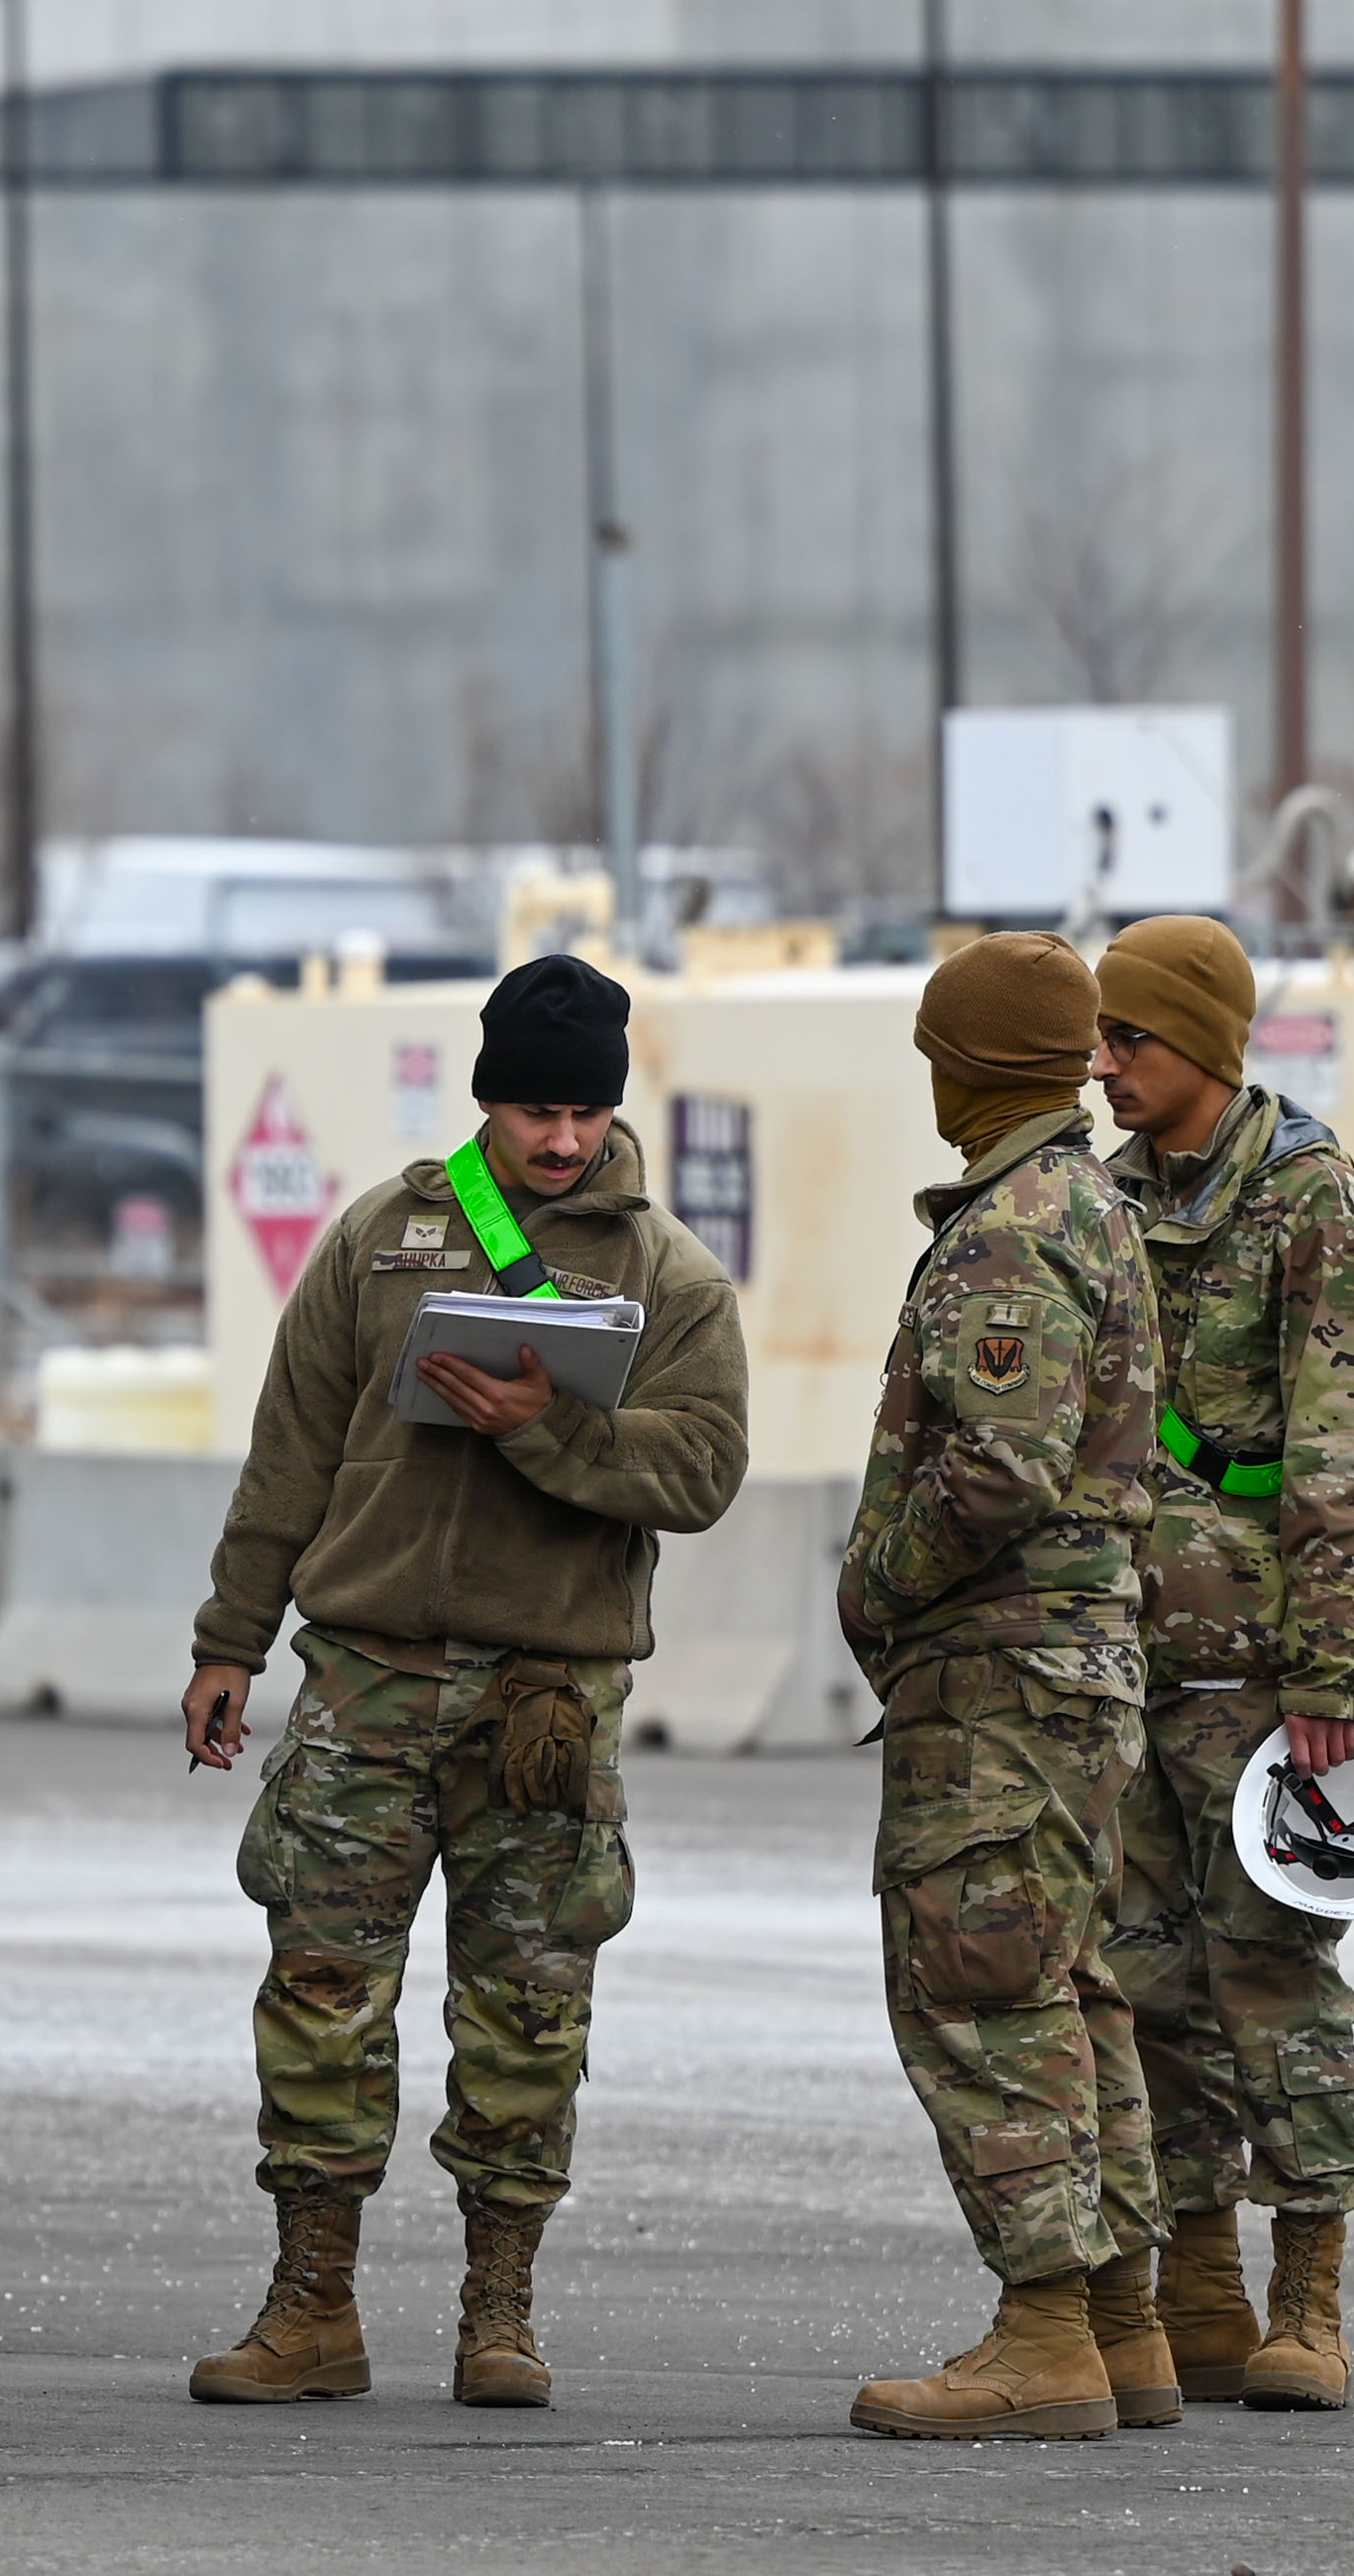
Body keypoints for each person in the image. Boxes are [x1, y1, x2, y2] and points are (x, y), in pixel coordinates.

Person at [179, 951, 750, 2410]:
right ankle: (310, 2306)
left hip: (538, 1705)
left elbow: (699, 1470)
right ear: (485, 1099)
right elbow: (288, 1454)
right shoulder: (377, 1239)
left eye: (582, 1110)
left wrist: (544, 1429)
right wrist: (227, 1641)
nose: (559, 1138)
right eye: (532, 1109)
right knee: (316, 1991)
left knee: (524, 2012)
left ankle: (498, 2311)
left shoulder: (666, 1275)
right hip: (362, 1678)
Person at [1088, 913, 1354, 2414]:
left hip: (1262, 1680)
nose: (1100, 1067)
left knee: (1271, 1979)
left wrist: (1332, 1681)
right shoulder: (1105, 1202)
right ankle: (1198, 2282)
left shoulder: (1311, 1205)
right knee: (1143, 1980)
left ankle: (1307, 2295)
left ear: (1203, 1049)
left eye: (1127, 1042)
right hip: (1124, 1665)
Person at [840, 930, 1163, 2438]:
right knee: (1066, 1981)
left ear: (964, 1063)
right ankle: (1119, 2321)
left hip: (999, 1673)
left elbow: (997, 1461)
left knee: (977, 1989)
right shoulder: (1088, 1201)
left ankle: (1043, 2336)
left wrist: (874, 1581)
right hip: (1072, 1668)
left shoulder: (1011, 1221)